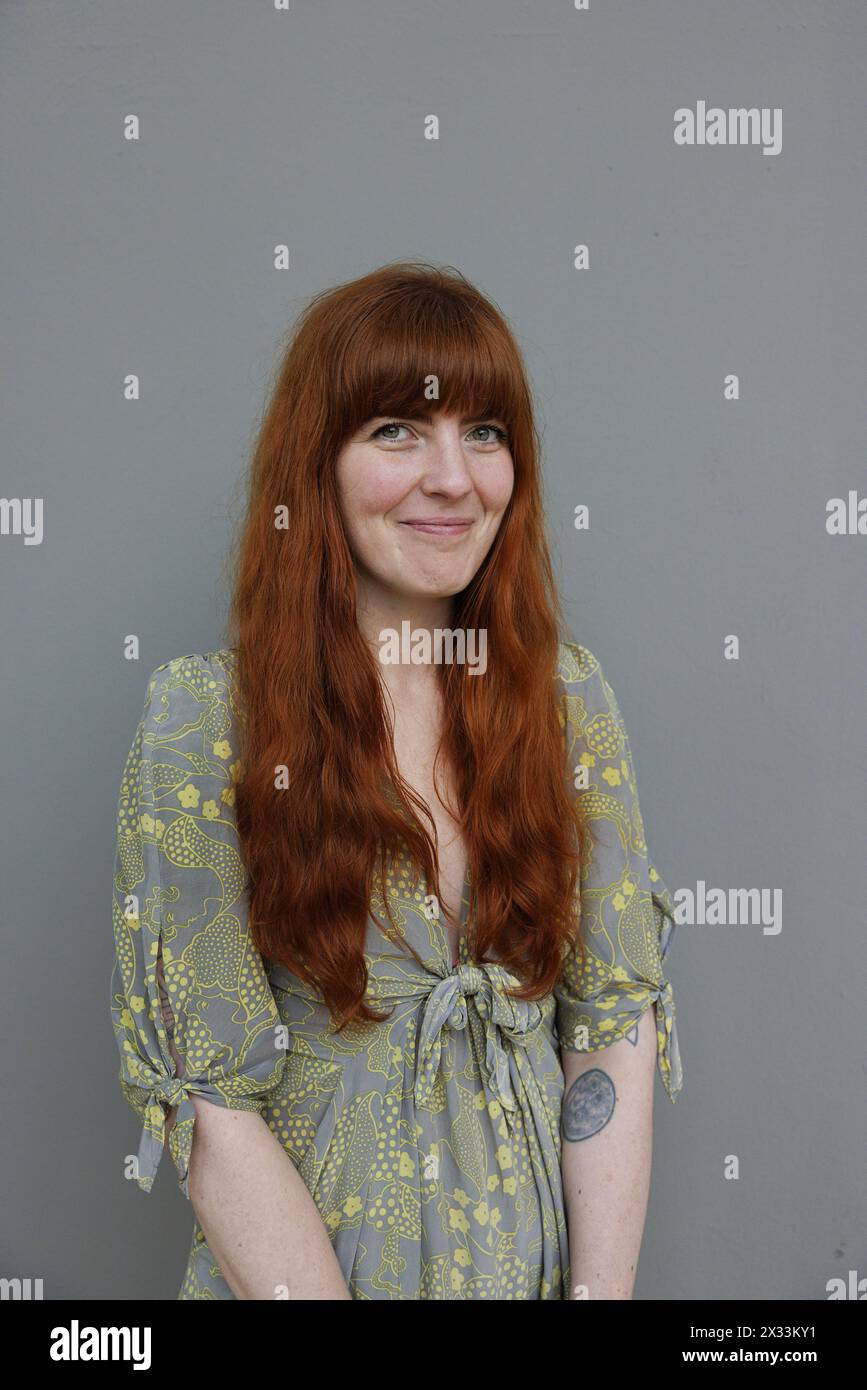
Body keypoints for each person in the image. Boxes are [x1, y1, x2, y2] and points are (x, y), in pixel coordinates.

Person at [109, 260, 683, 1300]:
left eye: (486, 432)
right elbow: (210, 1103)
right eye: (396, 431)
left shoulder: (566, 700)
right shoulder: (204, 722)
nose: (454, 478)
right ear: (315, 464)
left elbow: (611, 1031)